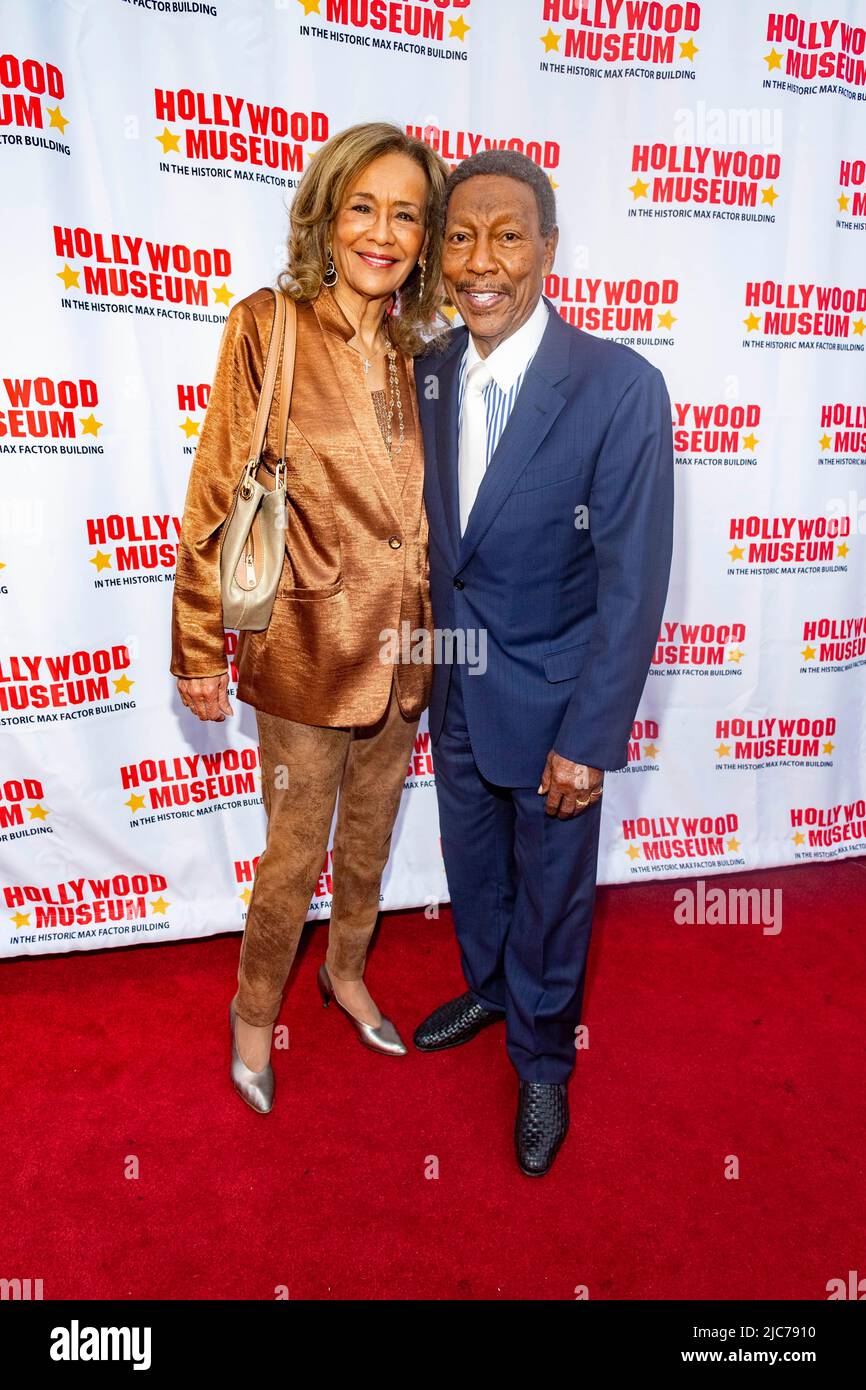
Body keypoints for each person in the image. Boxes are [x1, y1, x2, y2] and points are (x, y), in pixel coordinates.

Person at [170, 122, 448, 1114]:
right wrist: (199, 641)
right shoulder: (267, 325)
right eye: (362, 206)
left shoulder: (425, 356)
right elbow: (215, 496)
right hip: (302, 648)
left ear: (426, 236)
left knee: (369, 838)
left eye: (406, 214)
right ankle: (254, 1014)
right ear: (327, 216)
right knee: (294, 853)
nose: (382, 231)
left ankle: (348, 972)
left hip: (405, 651)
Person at [412, 149, 675, 1175]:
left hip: (558, 702)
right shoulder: (429, 368)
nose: (482, 261)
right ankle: (488, 983)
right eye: (462, 237)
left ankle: (541, 1059)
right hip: (454, 685)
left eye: (507, 235)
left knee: (555, 888)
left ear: (548, 251)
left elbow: (632, 580)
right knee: (472, 866)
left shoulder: (617, 386)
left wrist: (589, 738)